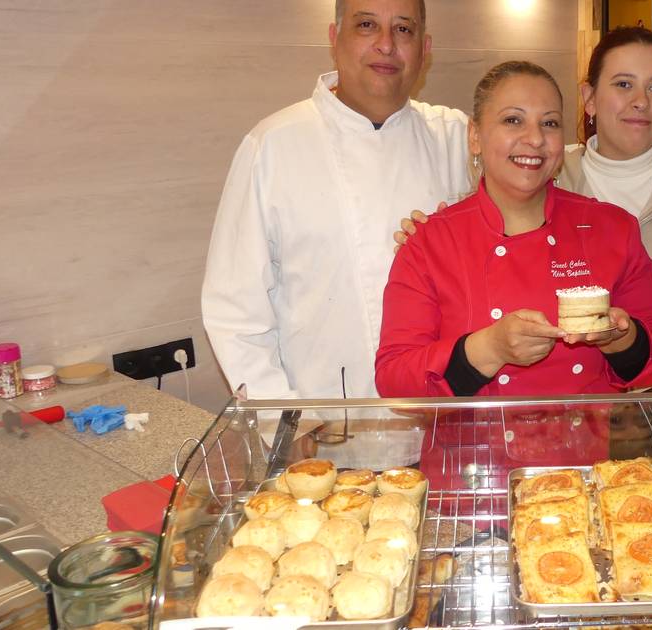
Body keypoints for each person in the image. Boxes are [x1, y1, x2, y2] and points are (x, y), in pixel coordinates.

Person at [398, 28, 652, 377]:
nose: (640, 102)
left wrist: (633, 320)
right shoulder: (538, 173)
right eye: (622, 84)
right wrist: (425, 239)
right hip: (570, 410)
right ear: (589, 98)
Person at [202, 0, 471, 399]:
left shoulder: (458, 138)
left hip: (443, 427)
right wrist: (287, 423)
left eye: (403, 29)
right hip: (325, 432)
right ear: (334, 38)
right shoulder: (274, 145)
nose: (386, 45)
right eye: (366, 25)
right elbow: (234, 310)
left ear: (425, 48)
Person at [375, 61, 652, 397]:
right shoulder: (430, 242)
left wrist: (621, 337)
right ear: (475, 136)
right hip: (472, 447)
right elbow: (395, 379)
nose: (535, 139)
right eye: (513, 120)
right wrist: (489, 349)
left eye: (549, 123)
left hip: (586, 445)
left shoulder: (612, 228)